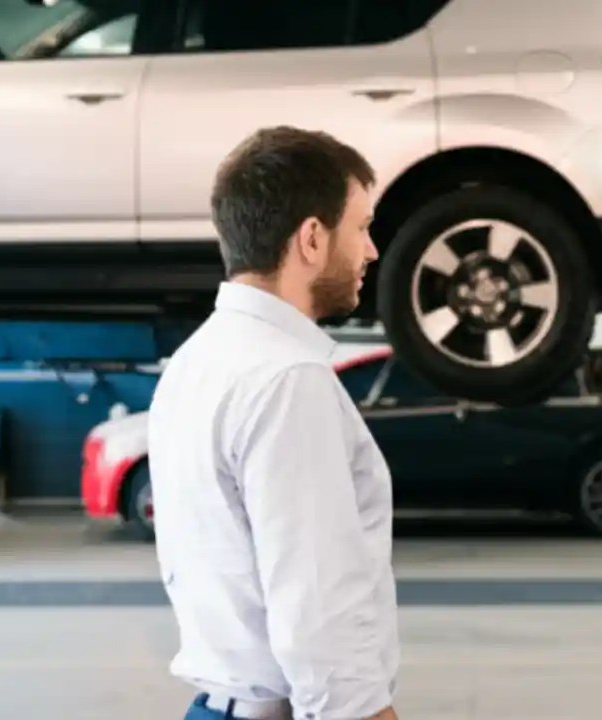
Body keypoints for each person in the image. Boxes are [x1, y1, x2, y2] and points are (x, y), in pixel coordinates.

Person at [147, 126, 396, 720]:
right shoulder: (287, 379)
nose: (371, 251)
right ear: (312, 238)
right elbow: (317, 606)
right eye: (361, 228)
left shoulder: (195, 361)